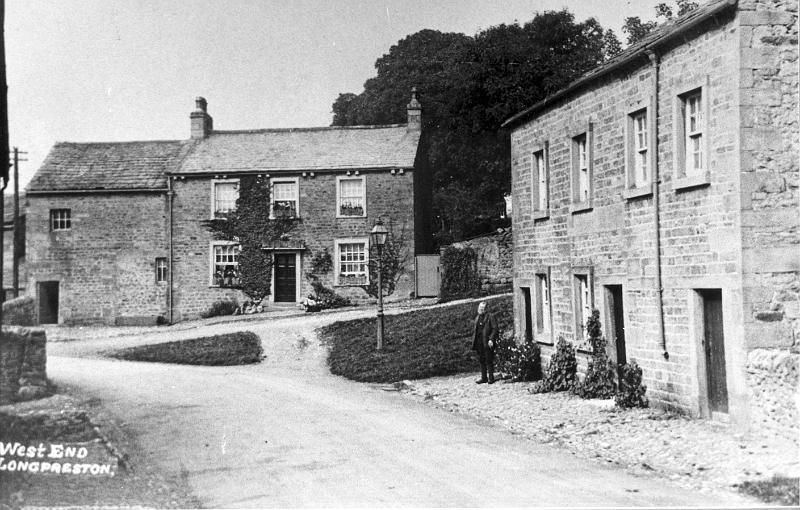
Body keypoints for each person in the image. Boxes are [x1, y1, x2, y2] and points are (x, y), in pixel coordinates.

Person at [472, 301, 499, 384]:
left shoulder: (490, 317)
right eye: (480, 308)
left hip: (487, 341)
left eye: (482, 308)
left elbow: (495, 329)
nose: (480, 310)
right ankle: (484, 377)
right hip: (479, 341)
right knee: (481, 360)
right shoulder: (477, 318)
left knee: (488, 359)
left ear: (486, 309)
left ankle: (491, 377)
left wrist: (491, 339)